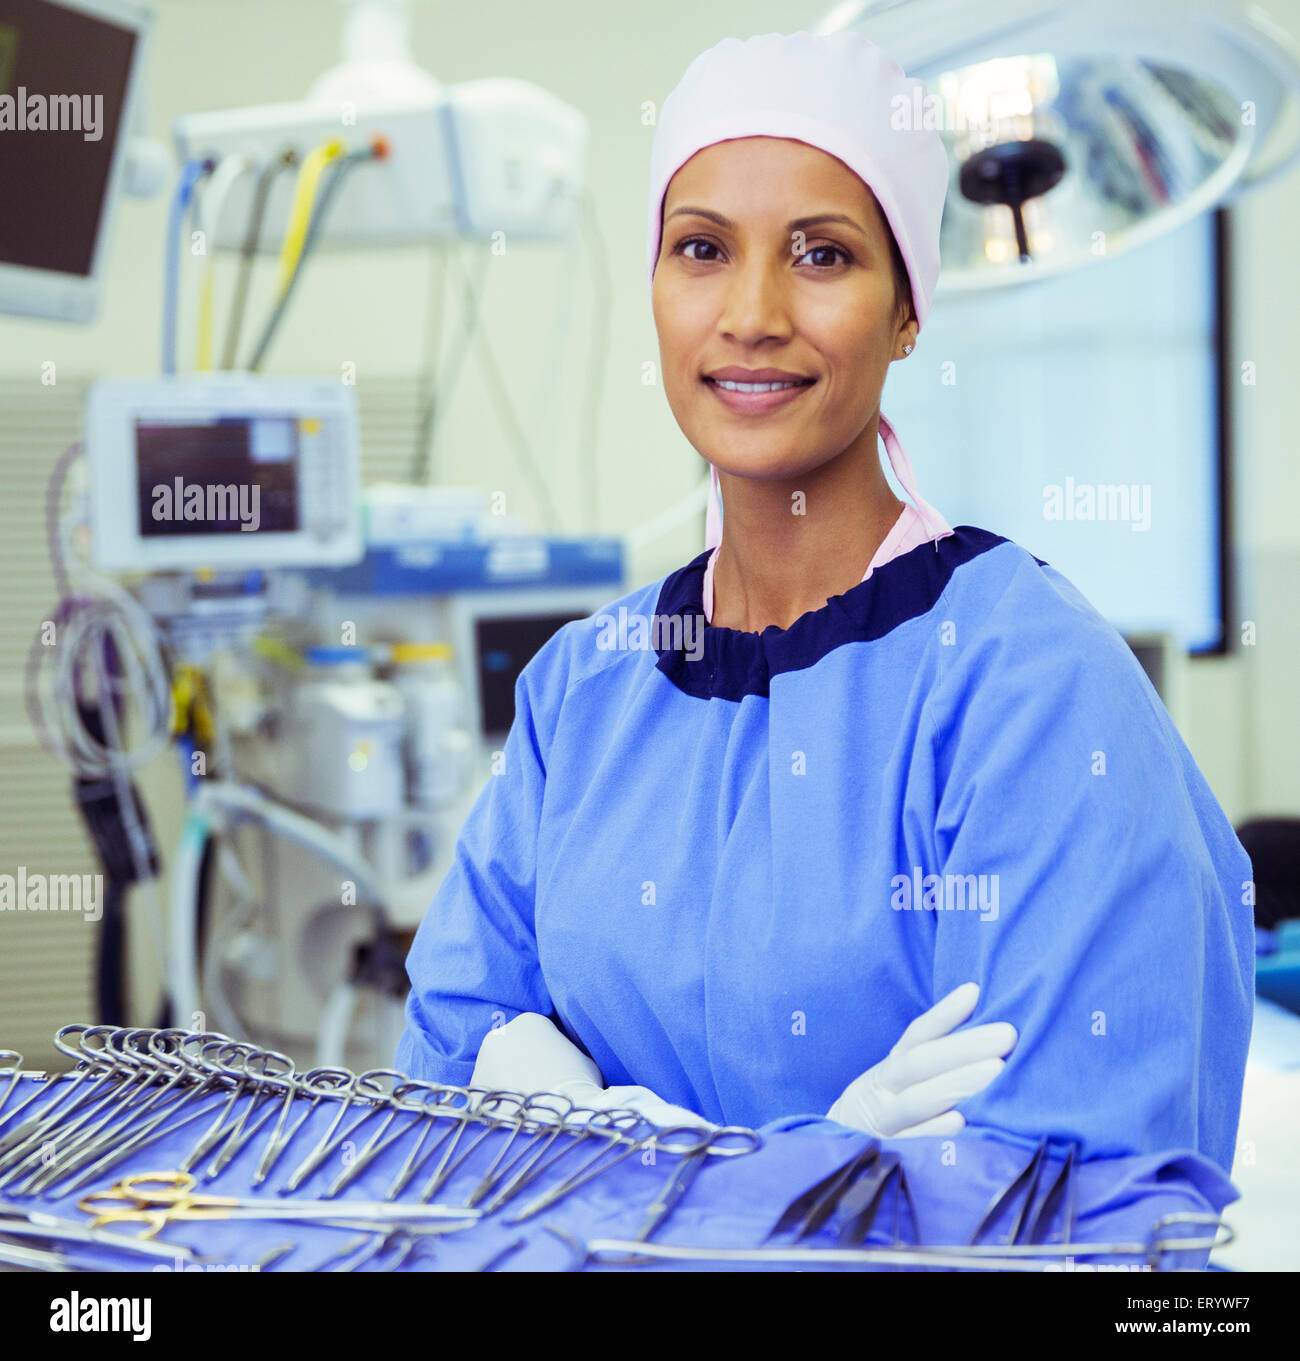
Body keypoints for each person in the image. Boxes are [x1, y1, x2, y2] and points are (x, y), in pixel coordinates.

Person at [397, 31, 1254, 1174]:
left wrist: (648, 1156)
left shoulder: (1033, 690)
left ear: (907, 310)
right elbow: (431, 1110)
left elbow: (1075, 1210)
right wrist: (810, 1175)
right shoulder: (581, 692)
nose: (750, 312)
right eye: (700, 248)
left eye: (821, 255)